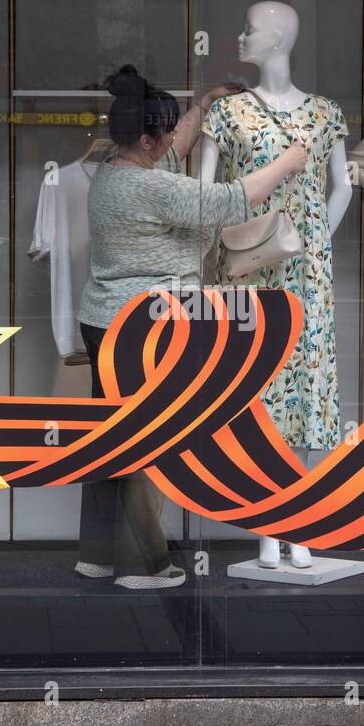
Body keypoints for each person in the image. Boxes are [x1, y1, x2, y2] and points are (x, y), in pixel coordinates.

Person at [75, 65, 308, 590]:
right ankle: (146, 566)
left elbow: (174, 147)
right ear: (146, 140)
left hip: (105, 318)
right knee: (144, 444)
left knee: (109, 438)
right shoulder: (149, 187)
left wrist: (203, 104)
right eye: (167, 131)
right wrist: (289, 161)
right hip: (141, 327)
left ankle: (97, 554)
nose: (173, 138)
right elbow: (226, 202)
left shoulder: (113, 170)